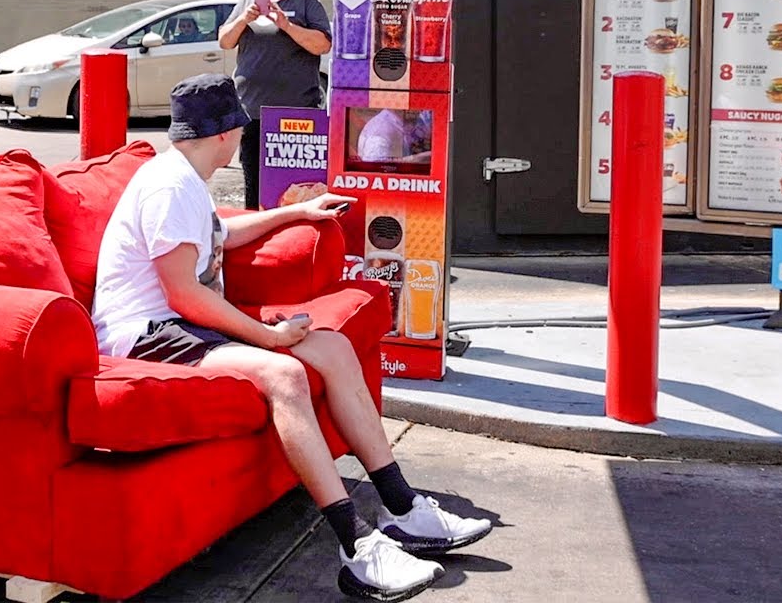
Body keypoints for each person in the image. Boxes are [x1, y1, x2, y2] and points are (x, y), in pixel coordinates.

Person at [92, 73, 492, 602]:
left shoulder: (185, 177)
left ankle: (402, 508)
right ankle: (356, 546)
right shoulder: (169, 187)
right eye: (239, 128)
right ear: (225, 134)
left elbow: (221, 234)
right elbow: (183, 294)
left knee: (333, 346)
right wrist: (269, 336)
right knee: (285, 374)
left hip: (185, 323)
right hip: (147, 334)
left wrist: (296, 212)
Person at [218, 0, 331, 209]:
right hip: (253, 112)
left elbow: (323, 44)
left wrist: (286, 25)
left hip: (295, 115)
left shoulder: (306, 2)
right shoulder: (247, 1)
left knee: (293, 187)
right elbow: (224, 41)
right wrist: (244, 19)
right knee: (253, 187)